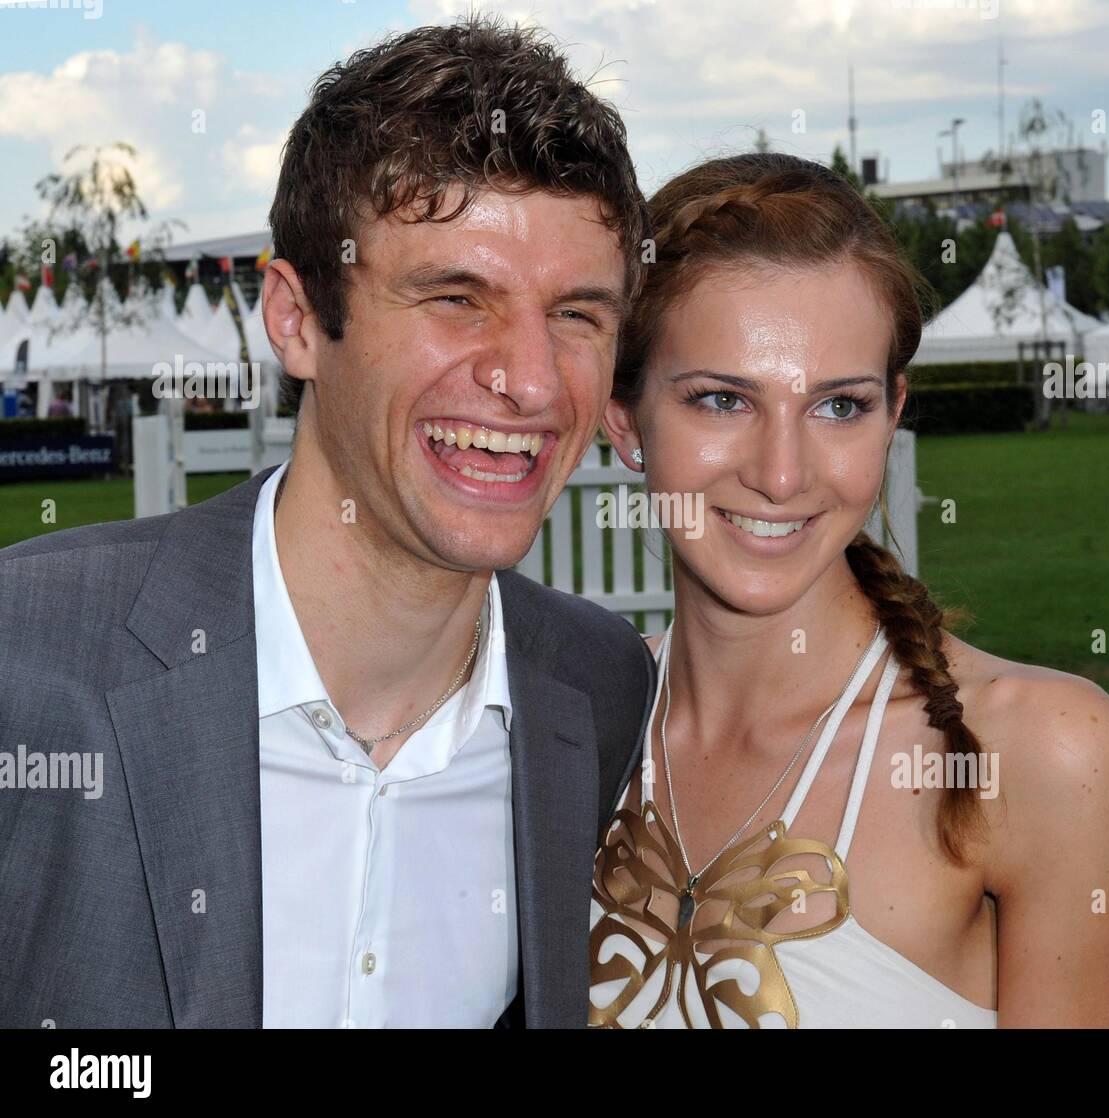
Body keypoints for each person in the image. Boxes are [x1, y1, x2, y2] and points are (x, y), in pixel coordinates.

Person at [0, 16, 653, 1029]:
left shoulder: (599, 690)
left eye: (576, 314)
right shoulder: (28, 657)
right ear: (298, 318)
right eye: (455, 296)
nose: (529, 379)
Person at [589, 153, 1109, 1028]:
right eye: (722, 400)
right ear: (625, 421)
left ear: (894, 414)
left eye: (839, 406)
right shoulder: (571, 733)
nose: (782, 475)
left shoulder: (1041, 753)